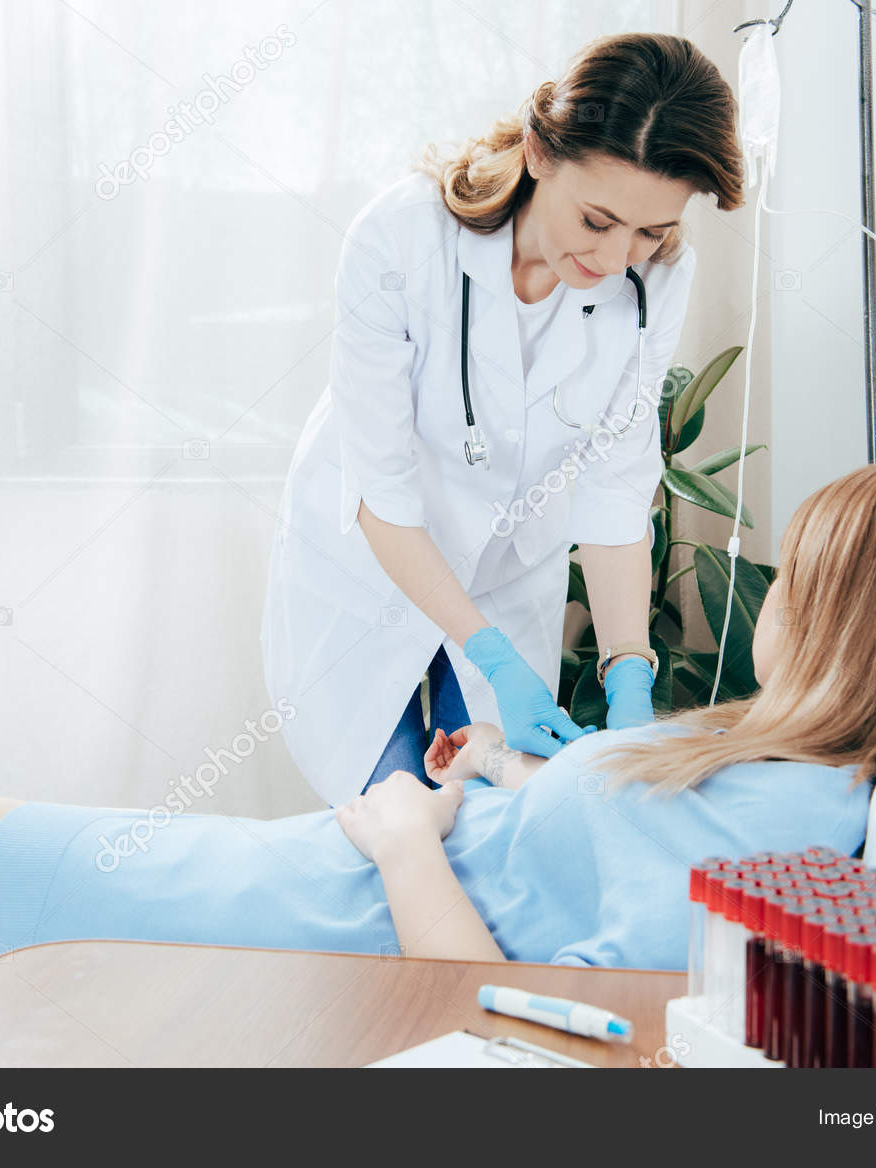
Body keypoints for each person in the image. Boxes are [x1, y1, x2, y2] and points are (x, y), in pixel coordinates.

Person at [0, 465, 876, 998]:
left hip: (203, 926)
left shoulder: (788, 828)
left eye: (804, 580)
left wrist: (407, 833)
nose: (777, 598)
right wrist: (510, 781)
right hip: (260, 884)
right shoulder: (775, 778)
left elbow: (514, 1022)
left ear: (861, 620)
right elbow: (574, 878)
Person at [261, 33, 746, 806]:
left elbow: (617, 486)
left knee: (488, 818)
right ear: (539, 153)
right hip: (373, 565)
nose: (620, 256)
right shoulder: (400, 239)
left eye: (651, 230)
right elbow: (382, 489)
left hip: (509, 573)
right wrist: (487, 654)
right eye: (598, 219)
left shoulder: (658, 279)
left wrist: (626, 665)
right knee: (391, 816)